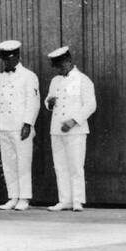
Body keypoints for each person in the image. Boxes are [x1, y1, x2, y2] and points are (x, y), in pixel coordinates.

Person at [45, 46, 96, 212]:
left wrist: (74, 121)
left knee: (75, 165)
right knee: (60, 166)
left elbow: (90, 105)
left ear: (69, 61)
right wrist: (49, 103)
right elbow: (48, 101)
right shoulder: (55, 81)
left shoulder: (83, 80)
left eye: (61, 66)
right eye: (57, 67)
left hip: (75, 130)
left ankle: (77, 200)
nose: (59, 69)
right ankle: (64, 199)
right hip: (57, 129)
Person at [0, 40, 40, 211]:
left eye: (10, 59)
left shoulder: (28, 76)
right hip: (5, 126)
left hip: (20, 127)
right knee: (9, 163)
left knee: (23, 163)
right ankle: (12, 196)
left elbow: (33, 102)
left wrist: (28, 123)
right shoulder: (2, 76)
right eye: (4, 59)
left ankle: (24, 197)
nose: (6, 62)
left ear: (18, 57)